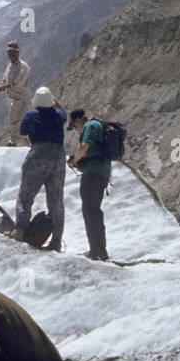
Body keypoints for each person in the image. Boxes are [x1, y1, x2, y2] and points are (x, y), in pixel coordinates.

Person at [14, 86, 67, 252]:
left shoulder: (31, 115)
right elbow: (63, 111)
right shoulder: (58, 115)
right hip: (58, 157)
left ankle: (20, 230)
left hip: (37, 155)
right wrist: (56, 103)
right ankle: (56, 240)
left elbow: (23, 132)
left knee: (26, 195)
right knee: (56, 198)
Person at [68, 109, 111, 261]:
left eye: (74, 125)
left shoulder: (90, 125)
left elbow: (84, 146)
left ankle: (96, 250)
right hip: (103, 172)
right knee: (95, 210)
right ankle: (101, 249)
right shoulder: (99, 124)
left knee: (89, 211)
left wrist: (74, 161)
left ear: (79, 120)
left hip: (92, 173)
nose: (76, 129)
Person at [0, 41, 31, 145]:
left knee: (20, 122)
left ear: (18, 52)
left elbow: (18, 82)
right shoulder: (9, 66)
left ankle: (15, 142)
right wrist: (0, 86)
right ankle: (24, 143)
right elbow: (5, 79)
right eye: (9, 52)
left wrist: (3, 87)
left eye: (13, 52)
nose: (11, 54)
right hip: (13, 99)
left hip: (22, 99)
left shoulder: (24, 66)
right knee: (14, 121)